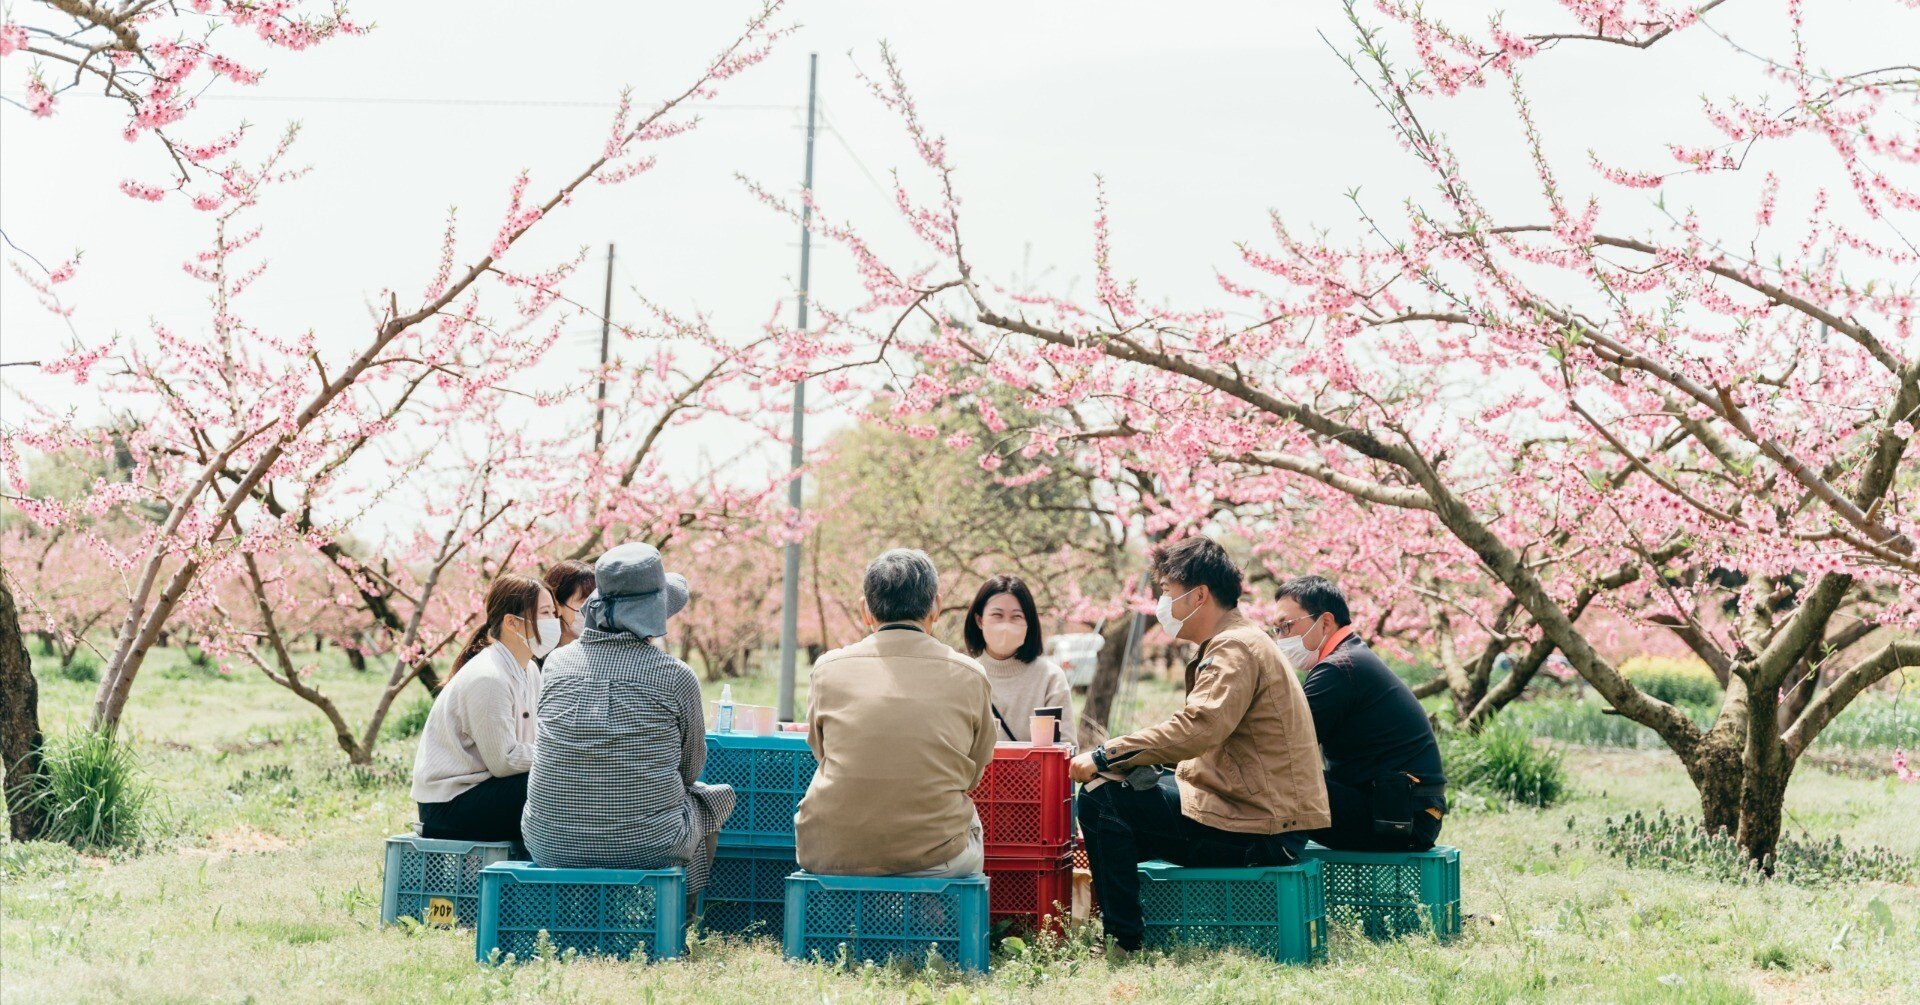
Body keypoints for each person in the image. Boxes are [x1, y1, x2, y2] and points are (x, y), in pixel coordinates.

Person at [1069, 537, 1329, 953]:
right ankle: (1135, 920)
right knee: (1128, 783)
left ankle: (1123, 940)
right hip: (1259, 814)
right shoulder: (1240, 640)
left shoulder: (1235, 647)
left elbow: (1198, 728)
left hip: (1259, 828)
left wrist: (1105, 753)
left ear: (1199, 595)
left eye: (1169, 593)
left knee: (1102, 798)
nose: (1162, 605)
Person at [521, 543, 735, 896]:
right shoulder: (675, 675)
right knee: (709, 799)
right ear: (655, 611)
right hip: (648, 847)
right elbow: (690, 769)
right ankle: (682, 915)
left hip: (549, 843)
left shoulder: (556, 665)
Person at [796, 548, 996, 877]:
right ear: (936, 606)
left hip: (829, 851)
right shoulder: (968, 673)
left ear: (865, 610)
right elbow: (973, 771)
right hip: (935, 856)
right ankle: (934, 924)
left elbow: (822, 752)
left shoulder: (827, 668)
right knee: (966, 820)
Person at [1274, 575, 1446, 852]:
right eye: (1276, 630)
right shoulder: (1350, 659)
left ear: (1325, 622)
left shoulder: (1340, 668)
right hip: (1411, 810)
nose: (1281, 638)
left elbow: (1282, 745)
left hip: (1399, 817)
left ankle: (1260, 857)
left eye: (1286, 626)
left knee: (1276, 781)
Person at [410, 574, 558, 842]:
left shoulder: (530, 670)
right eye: (545, 613)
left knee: (558, 783)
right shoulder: (489, 678)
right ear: (512, 623)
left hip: (487, 790)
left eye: (553, 613)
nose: (553, 622)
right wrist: (560, 752)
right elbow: (504, 761)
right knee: (554, 785)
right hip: (451, 805)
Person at [962, 575, 1073, 742]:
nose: (1006, 625)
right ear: (979, 620)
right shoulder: (965, 677)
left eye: (1016, 617)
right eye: (997, 615)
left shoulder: (1050, 678)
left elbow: (1065, 747)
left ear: (1028, 623)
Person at [543, 559, 596, 649]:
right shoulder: (540, 656)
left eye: (596, 601)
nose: (593, 608)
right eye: (584, 601)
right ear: (556, 606)